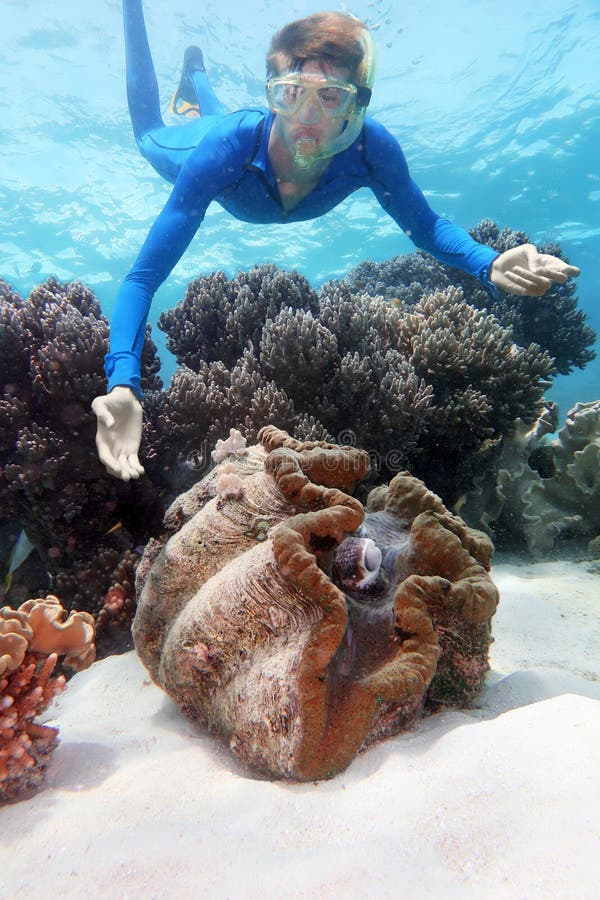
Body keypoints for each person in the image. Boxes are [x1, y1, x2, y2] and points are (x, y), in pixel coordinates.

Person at [92, 0, 580, 481]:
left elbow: (425, 225)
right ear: (272, 95)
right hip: (211, 139)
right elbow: (142, 278)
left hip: (240, 146)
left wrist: (487, 262)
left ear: (358, 103)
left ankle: (197, 76)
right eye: (290, 94)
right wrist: (122, 384)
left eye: (329, 97)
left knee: (218, 118)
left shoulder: (372, 148)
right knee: (147, 137)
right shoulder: (224, 150)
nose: (305, 117)